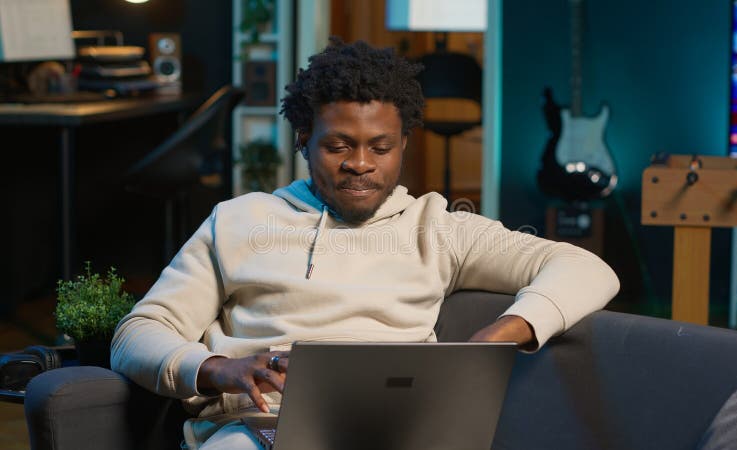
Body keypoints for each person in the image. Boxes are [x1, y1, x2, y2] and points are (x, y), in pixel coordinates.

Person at [111, 38, 620, 449]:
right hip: (260, 429)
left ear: (402, 145)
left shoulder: (438, 228)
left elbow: (586, 268)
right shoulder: (239, 222)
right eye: (338, 146)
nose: (360, 163)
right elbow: (137, 332)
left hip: (400, 433)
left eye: (380, 147)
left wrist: (498, 337)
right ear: (303, 139)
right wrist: (217, 368)